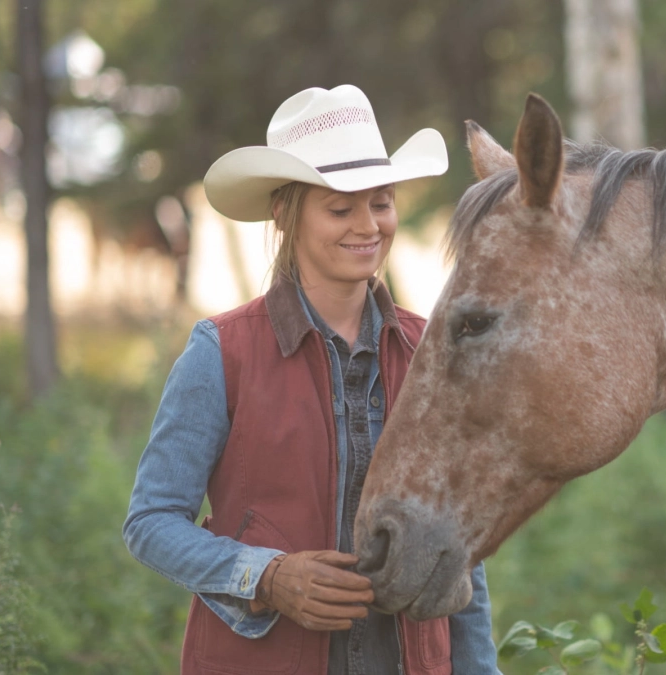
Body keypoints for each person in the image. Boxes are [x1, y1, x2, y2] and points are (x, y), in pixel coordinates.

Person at [123, 84, 500, 675]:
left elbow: (458, 546)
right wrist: (267, 577)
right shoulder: (221, 352)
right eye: (340, 209)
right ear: (285, 211)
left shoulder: (431, 352)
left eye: (381, 203)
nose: (368, 226)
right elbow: (151, 523)